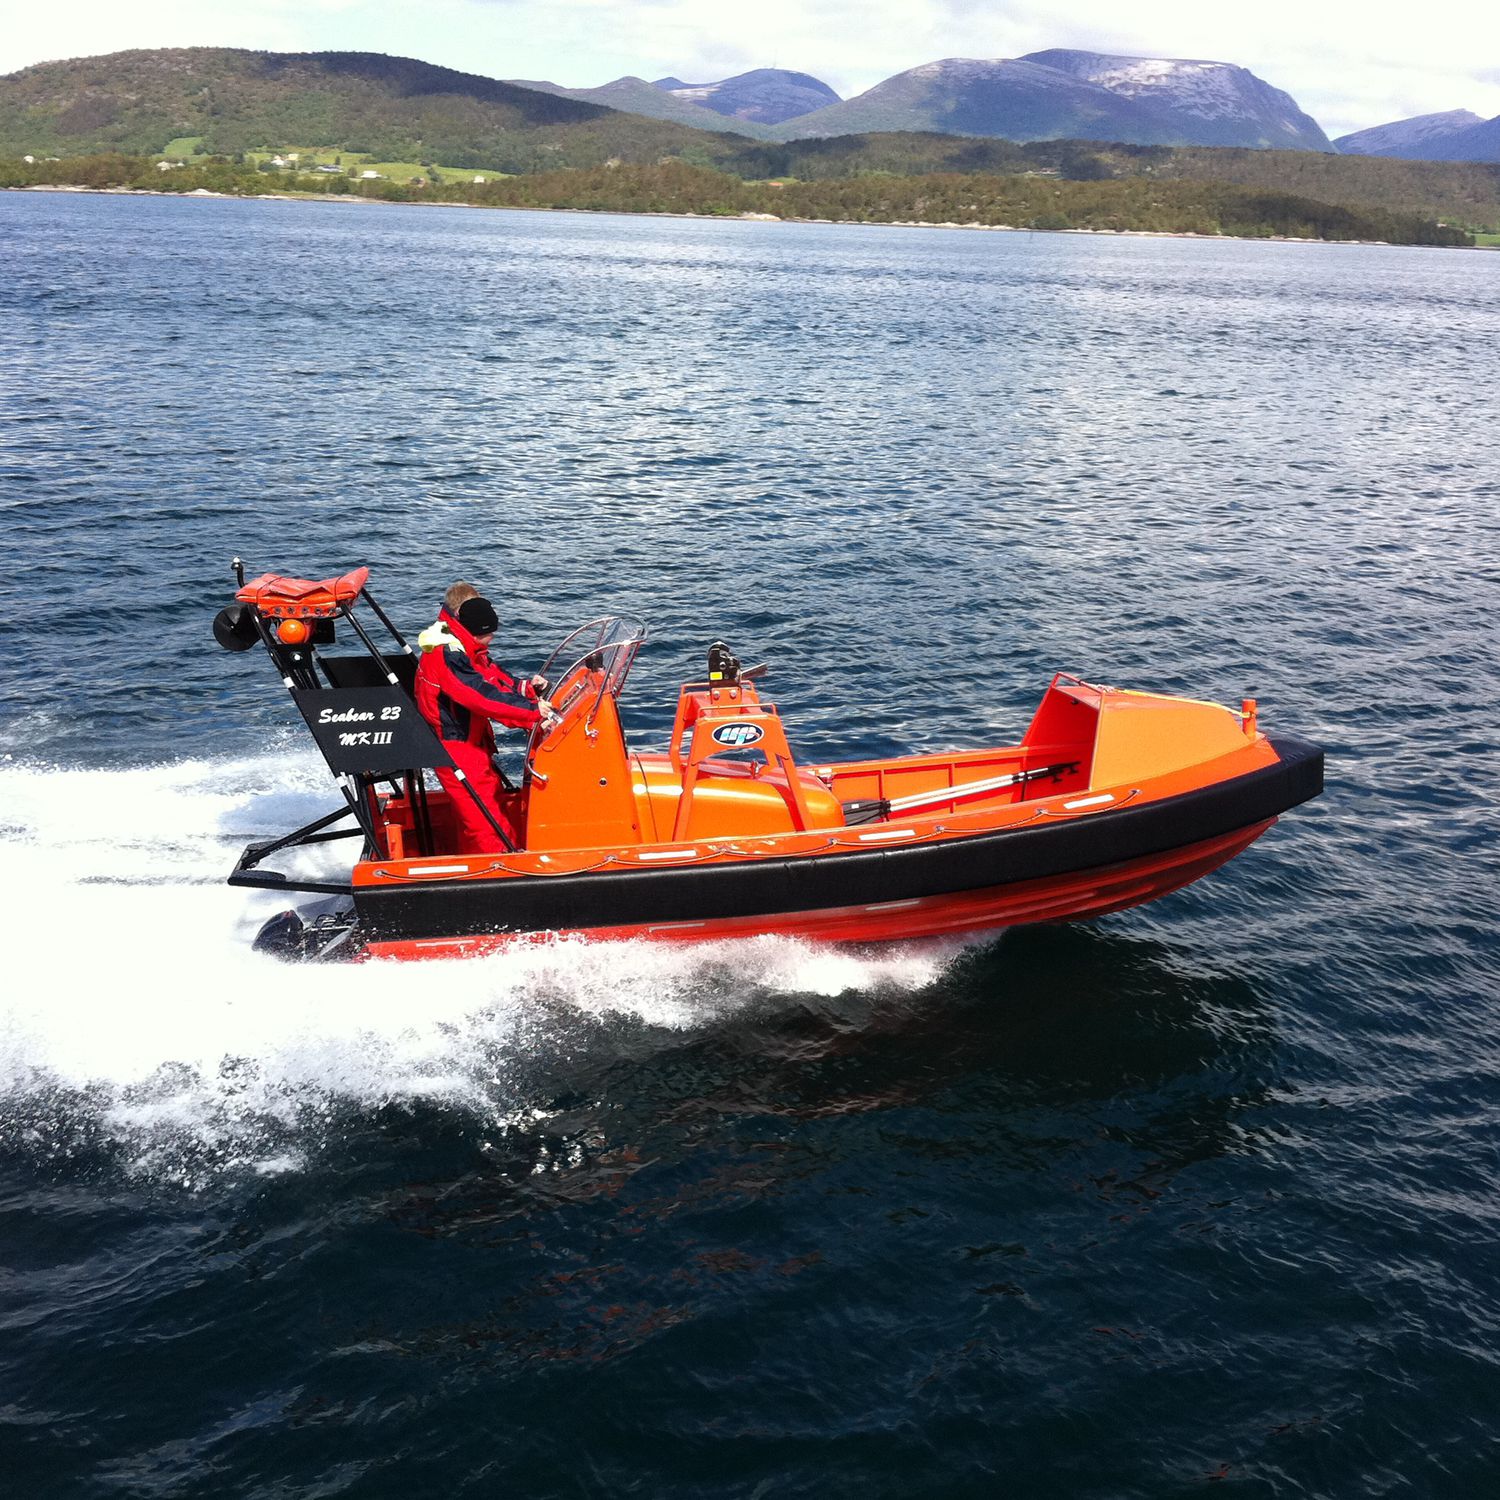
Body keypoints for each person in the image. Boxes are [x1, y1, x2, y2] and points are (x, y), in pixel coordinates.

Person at [415, 593, 556, 852]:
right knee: (486, 822)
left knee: (493, 802)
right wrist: (533, 712)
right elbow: (480, 696)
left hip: (473, 743)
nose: (493, 638)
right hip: (457, 747)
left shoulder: (465, 646)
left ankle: (498, 859)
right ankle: (502, 868)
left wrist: (525, 690)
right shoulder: (449, 654)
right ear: (479, 631)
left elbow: (491, 677)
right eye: (490, 633)